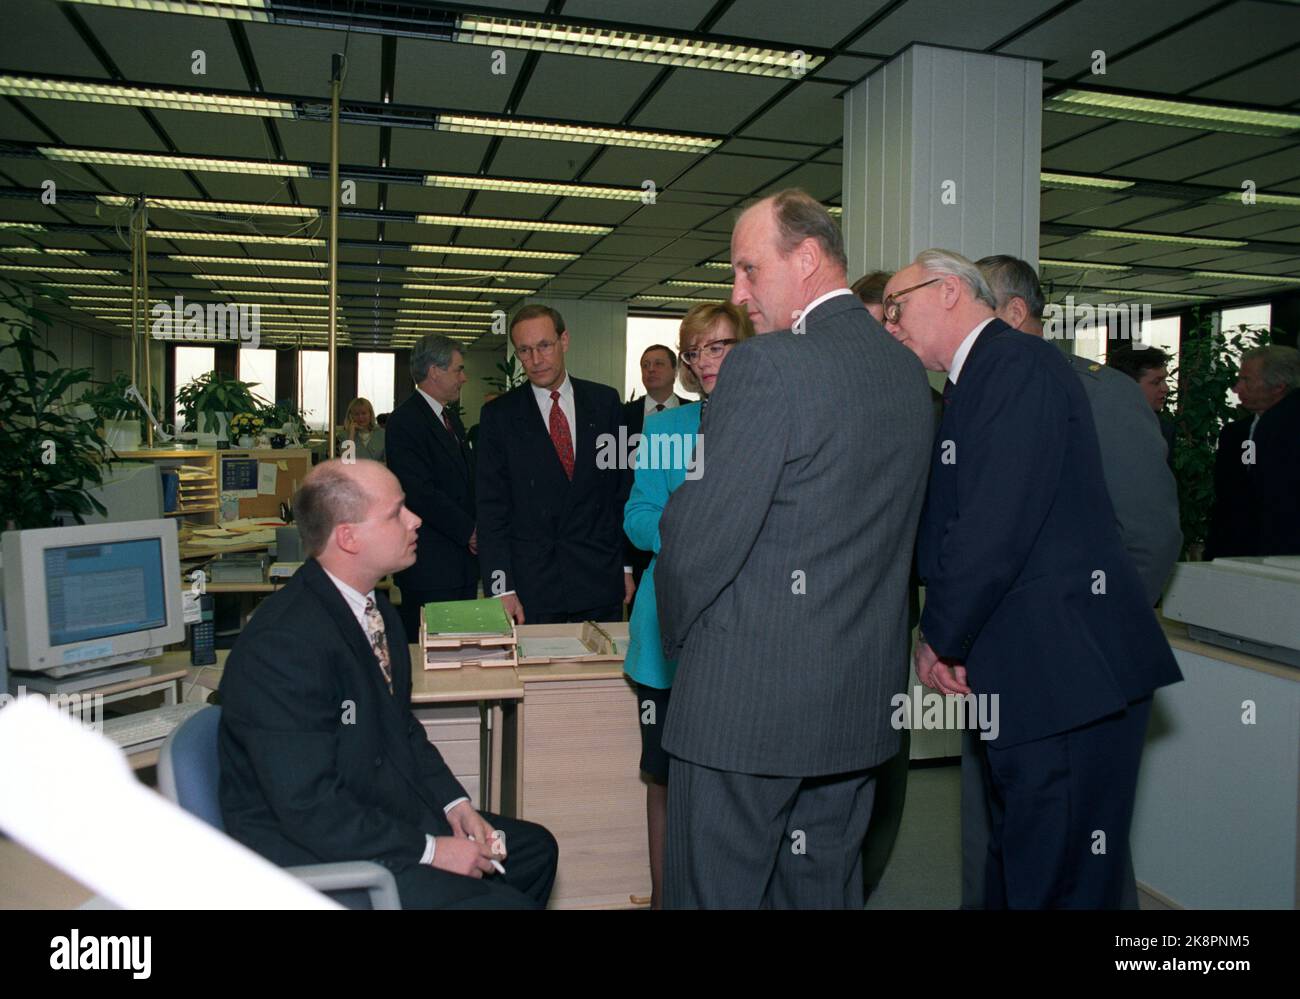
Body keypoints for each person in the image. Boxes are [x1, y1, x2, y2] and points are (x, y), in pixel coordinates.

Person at [655, 189, 933, 908]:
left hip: (741, 712)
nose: (737, 292)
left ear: (806, 259)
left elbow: (694, 540)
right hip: (854, 707)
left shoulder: (768, 366)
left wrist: (681, 643)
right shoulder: (907, 372)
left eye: (749, 269)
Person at [884, 249, 1181, 908]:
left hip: (1068, 679)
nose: (891, 324)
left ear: (951, 292)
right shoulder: (982, 376)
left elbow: (994, 525)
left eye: (898, 308)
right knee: (1030, 864)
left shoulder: (1015, 365)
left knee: (1060, 880)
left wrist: (938, 635)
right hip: (1038, 678)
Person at [218, 459, 558, 909]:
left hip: (369, 810)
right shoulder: (283, 645)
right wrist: (434, 850)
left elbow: (403, 732)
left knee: (534, 851)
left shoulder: (376, 612)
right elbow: (310, 810)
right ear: (348, 537)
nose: (415, 520)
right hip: (312, 851)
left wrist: (456, 806)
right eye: (397, 513)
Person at [974, 253, 1182, 910]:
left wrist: (1084, 631)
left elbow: (1149, 537)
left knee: (1081, 855)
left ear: (1011, 313)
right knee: (1014, 839)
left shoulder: (1100, 393)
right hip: (1002, 664)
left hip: (1079, 672)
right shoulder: (979, 393)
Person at [623, 303, 753, 909]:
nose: (703, 362)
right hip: (668, 634)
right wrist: (692, 537)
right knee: (666, 776)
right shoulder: (666, 431)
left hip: (748, 635)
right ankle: (663, 900)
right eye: (693, 351)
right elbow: (639, 515)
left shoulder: (773, 422)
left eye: (718, 347)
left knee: (737, 782)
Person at [476, 304, 633, 625]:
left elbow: (622, 492)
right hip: (533, 587)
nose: (535, 359)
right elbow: (492, 509)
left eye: (544, 346)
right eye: (524, 350)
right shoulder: (499, 416)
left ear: (564, 340)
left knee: (602, 675)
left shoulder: (605, 403)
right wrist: (499, 587)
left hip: (599, 579)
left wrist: (626, 567)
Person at [384, 335, 477, 640]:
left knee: (461, 650)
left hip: (460, 564)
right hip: (430, 567)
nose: (464, 378)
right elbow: (419, 492)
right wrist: (469, 530)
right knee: (434, 653)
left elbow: (465, 480)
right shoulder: (406, 421)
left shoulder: (450, 419)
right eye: (458, 369)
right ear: (435, 371)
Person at [1206, 344, 1300, 559]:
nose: (1237, 388)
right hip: (1234, 553)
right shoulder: (1233, 434)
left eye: (1246, 380)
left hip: (1286, 555)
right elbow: (1225, 501)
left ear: (1278, 386)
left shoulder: (1291, 432)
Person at [623, 345, 691, 610]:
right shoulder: (623, 415)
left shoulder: (699, 414)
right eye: (645, 364)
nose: (650, 370)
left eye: (659, 364)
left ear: (675, 370)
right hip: (636, 539)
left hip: (688, 538)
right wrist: (624, 564)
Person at [1107, 345, 1175, 463]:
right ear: (1128, 385)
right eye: (1156, 382)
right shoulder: (1095, 427)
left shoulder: (1163, 431)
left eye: (1164, 380)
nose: (1165, 389)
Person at [336, 397, 386, 461]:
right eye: (356, 414)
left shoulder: (382, 434)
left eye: (364, 413)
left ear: (370, 414)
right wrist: (351, 435)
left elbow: (389, 462)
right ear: (351, 416)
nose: (360, 417)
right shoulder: (344, 435)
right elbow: (346, 461)